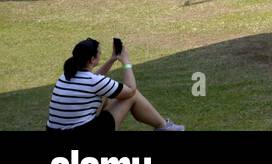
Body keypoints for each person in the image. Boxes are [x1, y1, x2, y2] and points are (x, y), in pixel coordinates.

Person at [47, 38, 184, 131]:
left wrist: (112, 59)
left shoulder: (66, 75)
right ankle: (164, 127)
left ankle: (164, 126)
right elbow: (130, 90)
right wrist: (126, 62)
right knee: (132, 96)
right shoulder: (93, 82)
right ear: (92, 59)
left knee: (105, 96)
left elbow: (94, 79)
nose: (101, 55)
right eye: (99, 53)